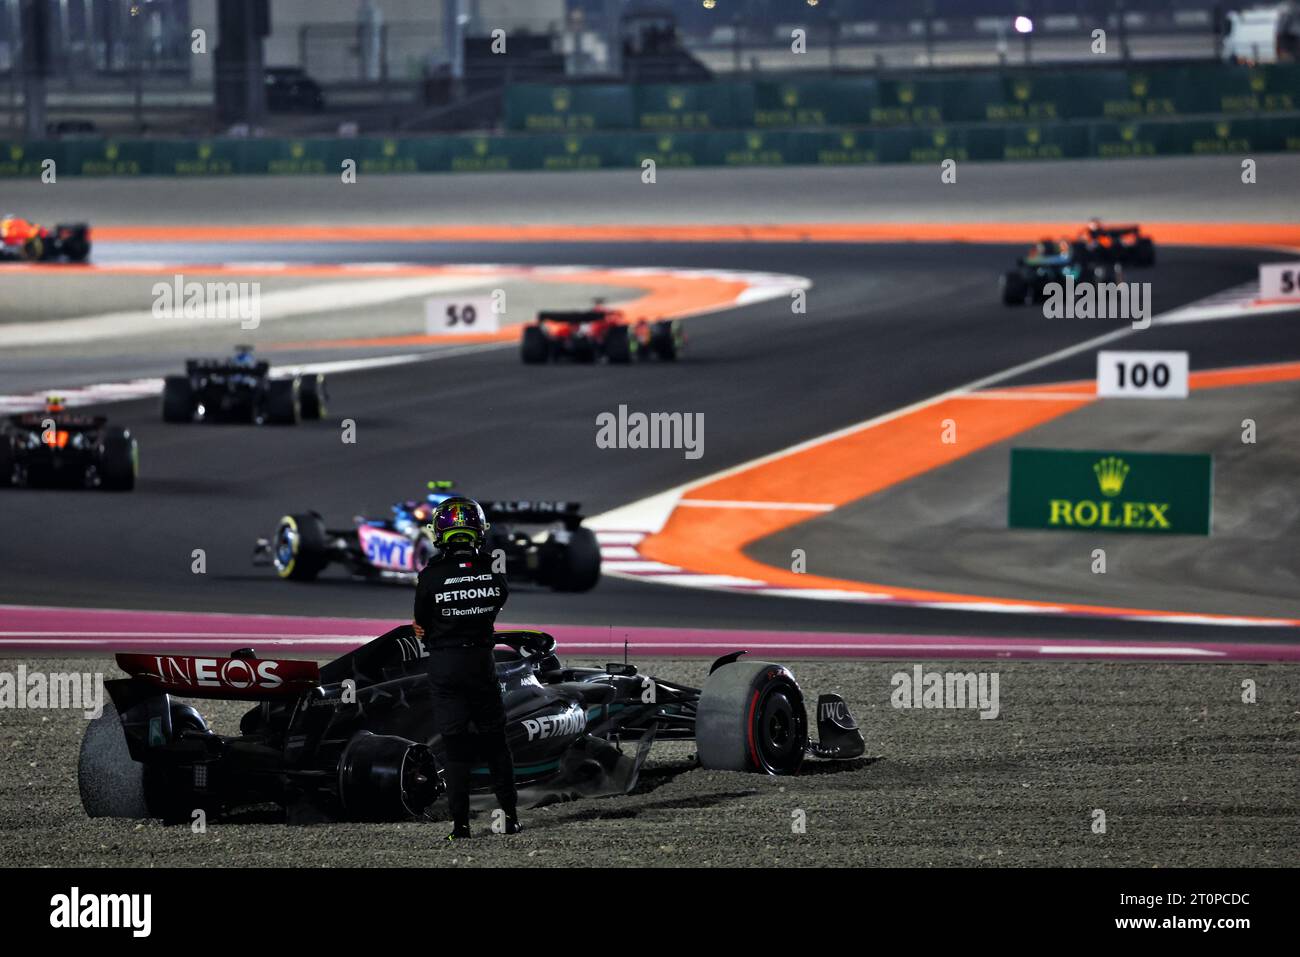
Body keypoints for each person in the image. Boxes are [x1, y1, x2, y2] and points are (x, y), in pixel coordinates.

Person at [412, 496, 520, 840]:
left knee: (456, 748)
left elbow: (422, 622)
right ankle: (511, 819)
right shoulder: (493, 570)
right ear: (478, 530)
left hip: (445, 665)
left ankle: (460, 826)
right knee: (495, 743)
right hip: (480, 663)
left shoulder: (429, 575)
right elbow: (498, 600)